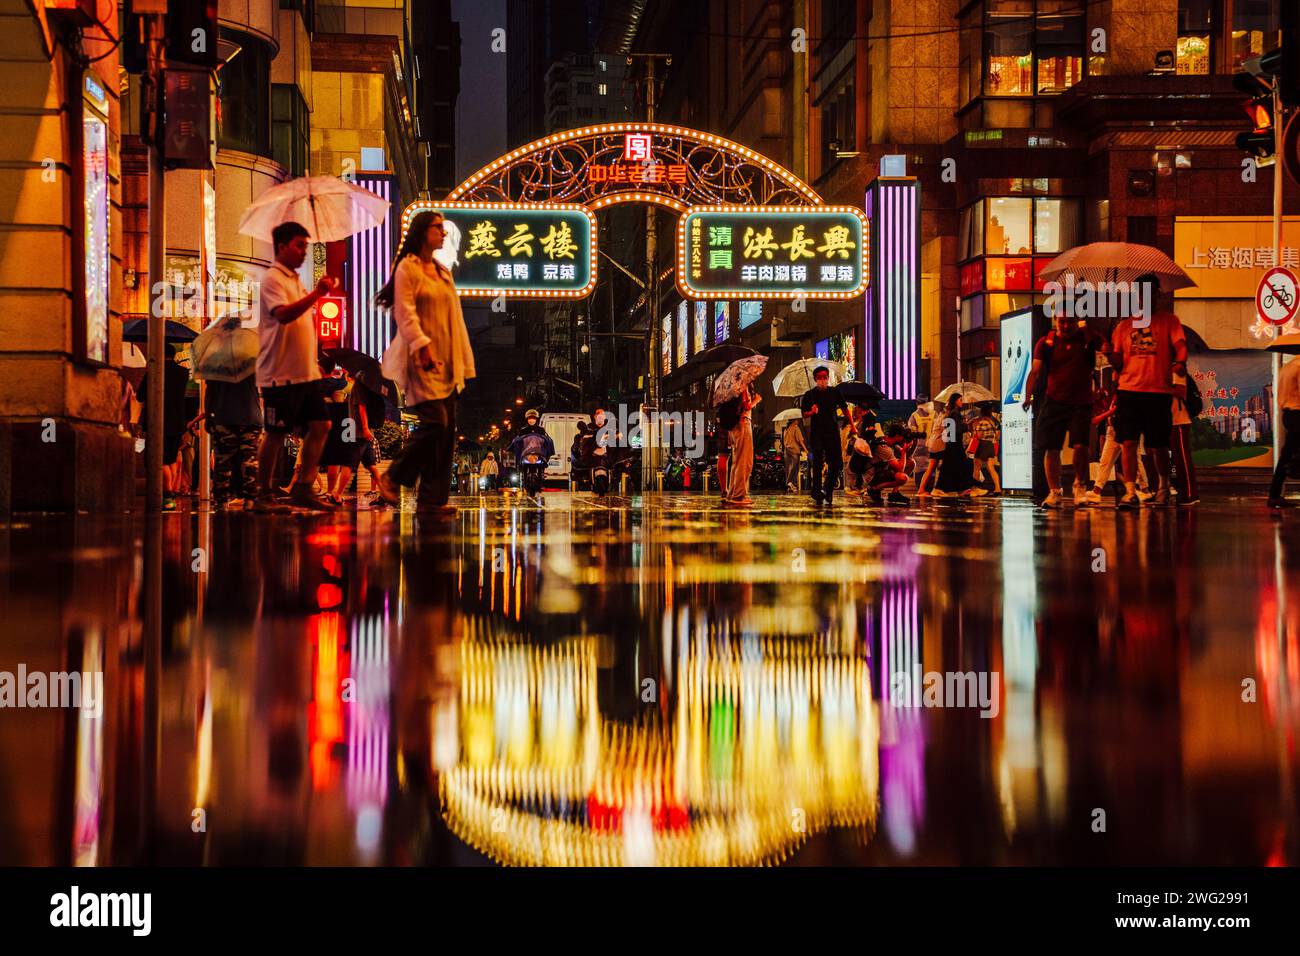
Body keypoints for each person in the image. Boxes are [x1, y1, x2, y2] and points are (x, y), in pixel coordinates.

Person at [373, 209, 476, 515]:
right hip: (421, 360)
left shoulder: (443, 271)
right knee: (435, 424)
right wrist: (421, 345)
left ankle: (433, 499)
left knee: (447, 433)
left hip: (447, 361)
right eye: (437, 228)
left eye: (443, 229)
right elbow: (404, 312)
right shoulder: (408, 267)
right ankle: (393, 477)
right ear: (421, 232)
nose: (443, 233)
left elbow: (453, 321)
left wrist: (460, 360)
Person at [254, 221, 339, 512]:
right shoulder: (273, 279)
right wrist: (317, 294)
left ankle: (303, 488)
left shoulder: (294, 279)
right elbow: (283, 315)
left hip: (305, 373)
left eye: (306, 245)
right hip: (280, 374)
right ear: (281, 247)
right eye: (299, 245)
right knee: (276, 432)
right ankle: (263, 494)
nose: (304, 251)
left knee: (321, 425)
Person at [1108, 273, 1187, 508]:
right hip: (1129, 391)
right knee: (1128, 443)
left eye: (1151, 292)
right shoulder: (1123, 326)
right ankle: (1130, 491)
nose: (1146, 297)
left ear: (1157, 295)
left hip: (1158, 391)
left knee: (1158, 445)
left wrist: (1180, 361)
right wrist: (1108, 353)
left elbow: (1180, 345)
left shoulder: (1169, 321)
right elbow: (1119, 362)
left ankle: (1163, 485)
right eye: (1141, 293)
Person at [1023, 312, 1104, 508]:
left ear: (1078, 321)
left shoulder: (1088, 338)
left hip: (1081, 402)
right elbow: (1035, 371)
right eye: (1062, 322)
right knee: (1051, 448)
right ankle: (1054, 492)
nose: (1066, 326)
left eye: (1070, 322)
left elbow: (1106, 358)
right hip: (1054, 401)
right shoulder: (1046, 343)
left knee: (1081, 446)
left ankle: (1080, 485)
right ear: (1055, 321)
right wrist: (1028, 397)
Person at [137, 342, 193, 511]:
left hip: (157, 420)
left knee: (158, 459)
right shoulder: (183, 373)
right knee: (171, 457)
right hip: (177, 422)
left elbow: (140, 396)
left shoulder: (154, 372)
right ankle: (171, 492)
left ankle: (167, 494)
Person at [205, 366, 262, 508]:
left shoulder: (216, 365)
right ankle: (250, 499)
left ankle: (222, 501)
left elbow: (210, 394)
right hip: (250, 415)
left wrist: (209, 416)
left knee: (223, 459)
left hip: (224, 416)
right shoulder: (253, 363)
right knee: (250, 460)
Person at [800, 366, 848, 507]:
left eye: (825, 377)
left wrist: (852, 425)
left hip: (832, 431)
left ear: (828, 377)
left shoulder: (835, 392)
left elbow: (845, 409)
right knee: (818, 462)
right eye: (819, 377)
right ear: (815, 379)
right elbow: (804, 413)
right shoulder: (810, 395)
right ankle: (816, 491)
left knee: (837, 463)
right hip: (817, 433)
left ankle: (828, 488)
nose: (822, 380)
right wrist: (812, 411)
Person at [932, 394, 985, 498]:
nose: (962, 402)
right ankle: (965, 488)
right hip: (955, 444)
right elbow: (956, 430)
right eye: (960, 399)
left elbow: (953, 429)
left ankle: (961, 489)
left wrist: (965, 424)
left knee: (953, 467)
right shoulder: (955, 413)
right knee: (958, 467)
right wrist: (967, 425)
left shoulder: (952, 413)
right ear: (955, 401)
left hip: (952, 444)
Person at [1268, 354, 1300, 509]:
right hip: (1298, 413)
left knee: (1286, 455)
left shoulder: (1285, 368)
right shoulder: (1299, 366)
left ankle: (1274, 495)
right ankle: (1274, 495)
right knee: (1287, 456)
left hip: (1288, 414)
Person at [724, 383, 760, 505]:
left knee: (737, 461)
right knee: (745, 461)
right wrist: (756, 400)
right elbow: (746, 405)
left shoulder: (733, 386)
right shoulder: (742, 385)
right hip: (743, 423)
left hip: (735, 426)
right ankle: (739, 496)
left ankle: (732, 493)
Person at [1169, 370, 1199, 506]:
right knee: (1178, 458)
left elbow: (1181, 392)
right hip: (1172, 420)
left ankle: (1190, 494)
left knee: (1183, 458)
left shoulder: (1176, 371)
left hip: (1180, 420)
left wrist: (1162, 387)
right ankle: (1185, 492)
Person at [508, 409, 555, 494]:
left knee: (541, 465)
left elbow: (546, 440)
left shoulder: (541, 430)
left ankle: (541, 480)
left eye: (533, 418)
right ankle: (525, 481)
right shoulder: (523, 430)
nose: (531, 420)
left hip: (538, 454)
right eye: (530, 418)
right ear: (527, 419)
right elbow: (518, 441)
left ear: (536, 419)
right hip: (526, 454)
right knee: (524, 466)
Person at [866, 421, 911, 506]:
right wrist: (904, 451)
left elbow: (907, 457)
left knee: (911, 463)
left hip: (878, 471)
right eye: (902, 436)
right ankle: (874, 489)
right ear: (897, 436)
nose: (903, 438)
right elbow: (900, 468)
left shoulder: (887, 441)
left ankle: (895, 493)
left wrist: (911, 445)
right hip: (871, 476)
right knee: (902, 478)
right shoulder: (885, 448)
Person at [969, 403, 1002, 494]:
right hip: (990, 446)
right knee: (991, 468)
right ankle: (998, 488)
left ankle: (975, 488)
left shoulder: (982, 422)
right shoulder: (992, 422)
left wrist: (974, 427)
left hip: (982, 446)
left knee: (976, 468)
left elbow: (978, 435)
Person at [908, 395, 935, 496]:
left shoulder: (914, 415)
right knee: (931, 467)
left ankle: (921, 488)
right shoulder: (934, 414)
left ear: (917, 403)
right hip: (932, 446)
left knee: (919, 468)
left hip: (918, 447)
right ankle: (928, 489)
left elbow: (912, 432)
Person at [781, 416, 807, 492]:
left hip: (787, 451)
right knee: (794, 469)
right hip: (795, 451)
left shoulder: (786, 429)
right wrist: (806, 450)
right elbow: (800, 441)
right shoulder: (796, 428)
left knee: (788, 468)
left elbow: (784, 441)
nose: (798, 421)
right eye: (797, 419)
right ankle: (790, 483)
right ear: (794, 420)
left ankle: (789, 485)